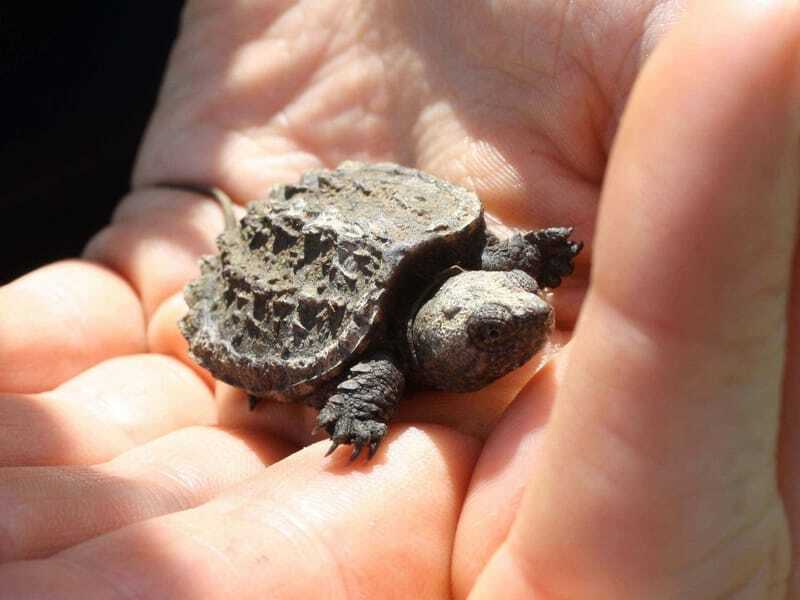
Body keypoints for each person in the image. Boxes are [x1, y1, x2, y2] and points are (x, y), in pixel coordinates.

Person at [0, 0, 798, 597]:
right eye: (492, 333)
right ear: (434, 345)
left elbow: (515, 268)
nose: (526, 318)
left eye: (516, 301)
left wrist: (537, 257)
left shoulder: (482, 253)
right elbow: (365, 382)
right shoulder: (378, 361)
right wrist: (355, 416)